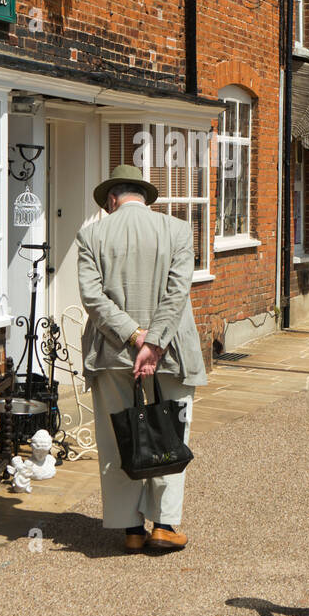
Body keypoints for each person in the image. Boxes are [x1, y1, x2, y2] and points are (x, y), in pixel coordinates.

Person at [76, 164, 207, 553]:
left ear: (112, 199)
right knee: (171, 434)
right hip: (172, 351)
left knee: (118, 437)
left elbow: (92, 297)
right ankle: (164, 525)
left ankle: (130, 528)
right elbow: (177, 291)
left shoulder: (91, 234)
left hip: (115, 353)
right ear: (145, 198)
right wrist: (155, 343)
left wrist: (134, 336)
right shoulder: (178, 230)